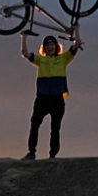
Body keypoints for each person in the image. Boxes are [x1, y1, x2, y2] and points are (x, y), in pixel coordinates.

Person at [20, 31, 79, 160]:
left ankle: (52, 155)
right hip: (42, 98)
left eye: (52, 44)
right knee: (34, 124)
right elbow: (25, 54)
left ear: (56, 46)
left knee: (55, 128)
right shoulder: (41, 60)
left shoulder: (63, 58)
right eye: (47, 44)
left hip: (57, 99)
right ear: (44, 47)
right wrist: (23, 37)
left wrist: (76, 30)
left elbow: (76, 45)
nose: (49, 46)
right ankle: (31, 153)